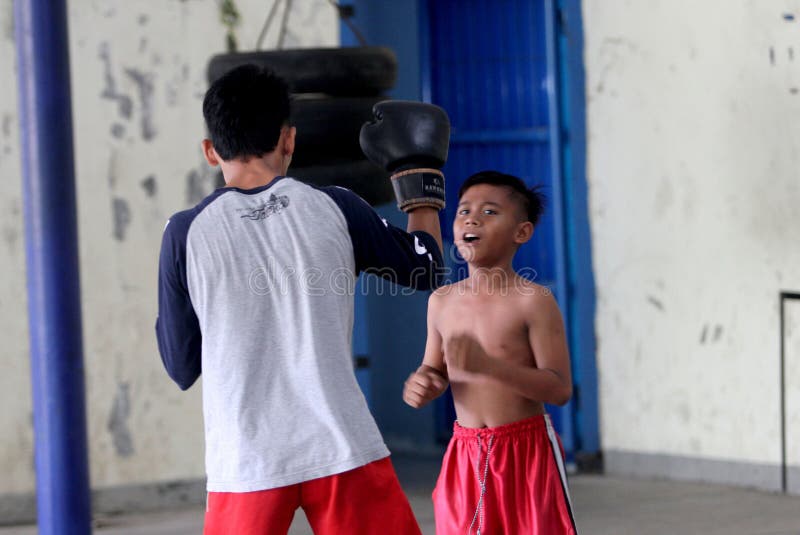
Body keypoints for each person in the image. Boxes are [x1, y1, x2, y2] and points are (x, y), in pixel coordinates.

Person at [155, 64, 450, 534]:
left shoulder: (184, 232)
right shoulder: (337, 206)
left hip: (246, 458)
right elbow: (427, 266)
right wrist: (418, 177)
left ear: (211, 151)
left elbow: (181, 366)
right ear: (289, 140)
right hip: (341, 444)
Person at [403, 170, 578, 534]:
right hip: (464, 454)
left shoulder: (534, 301)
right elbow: (433, 370)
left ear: (522, 232)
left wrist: (489, 366)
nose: (471, 218)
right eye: (463, 210)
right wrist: (423, 383)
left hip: (526, 454)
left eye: (489, 212)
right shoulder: (441, 302)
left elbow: (559, 389)